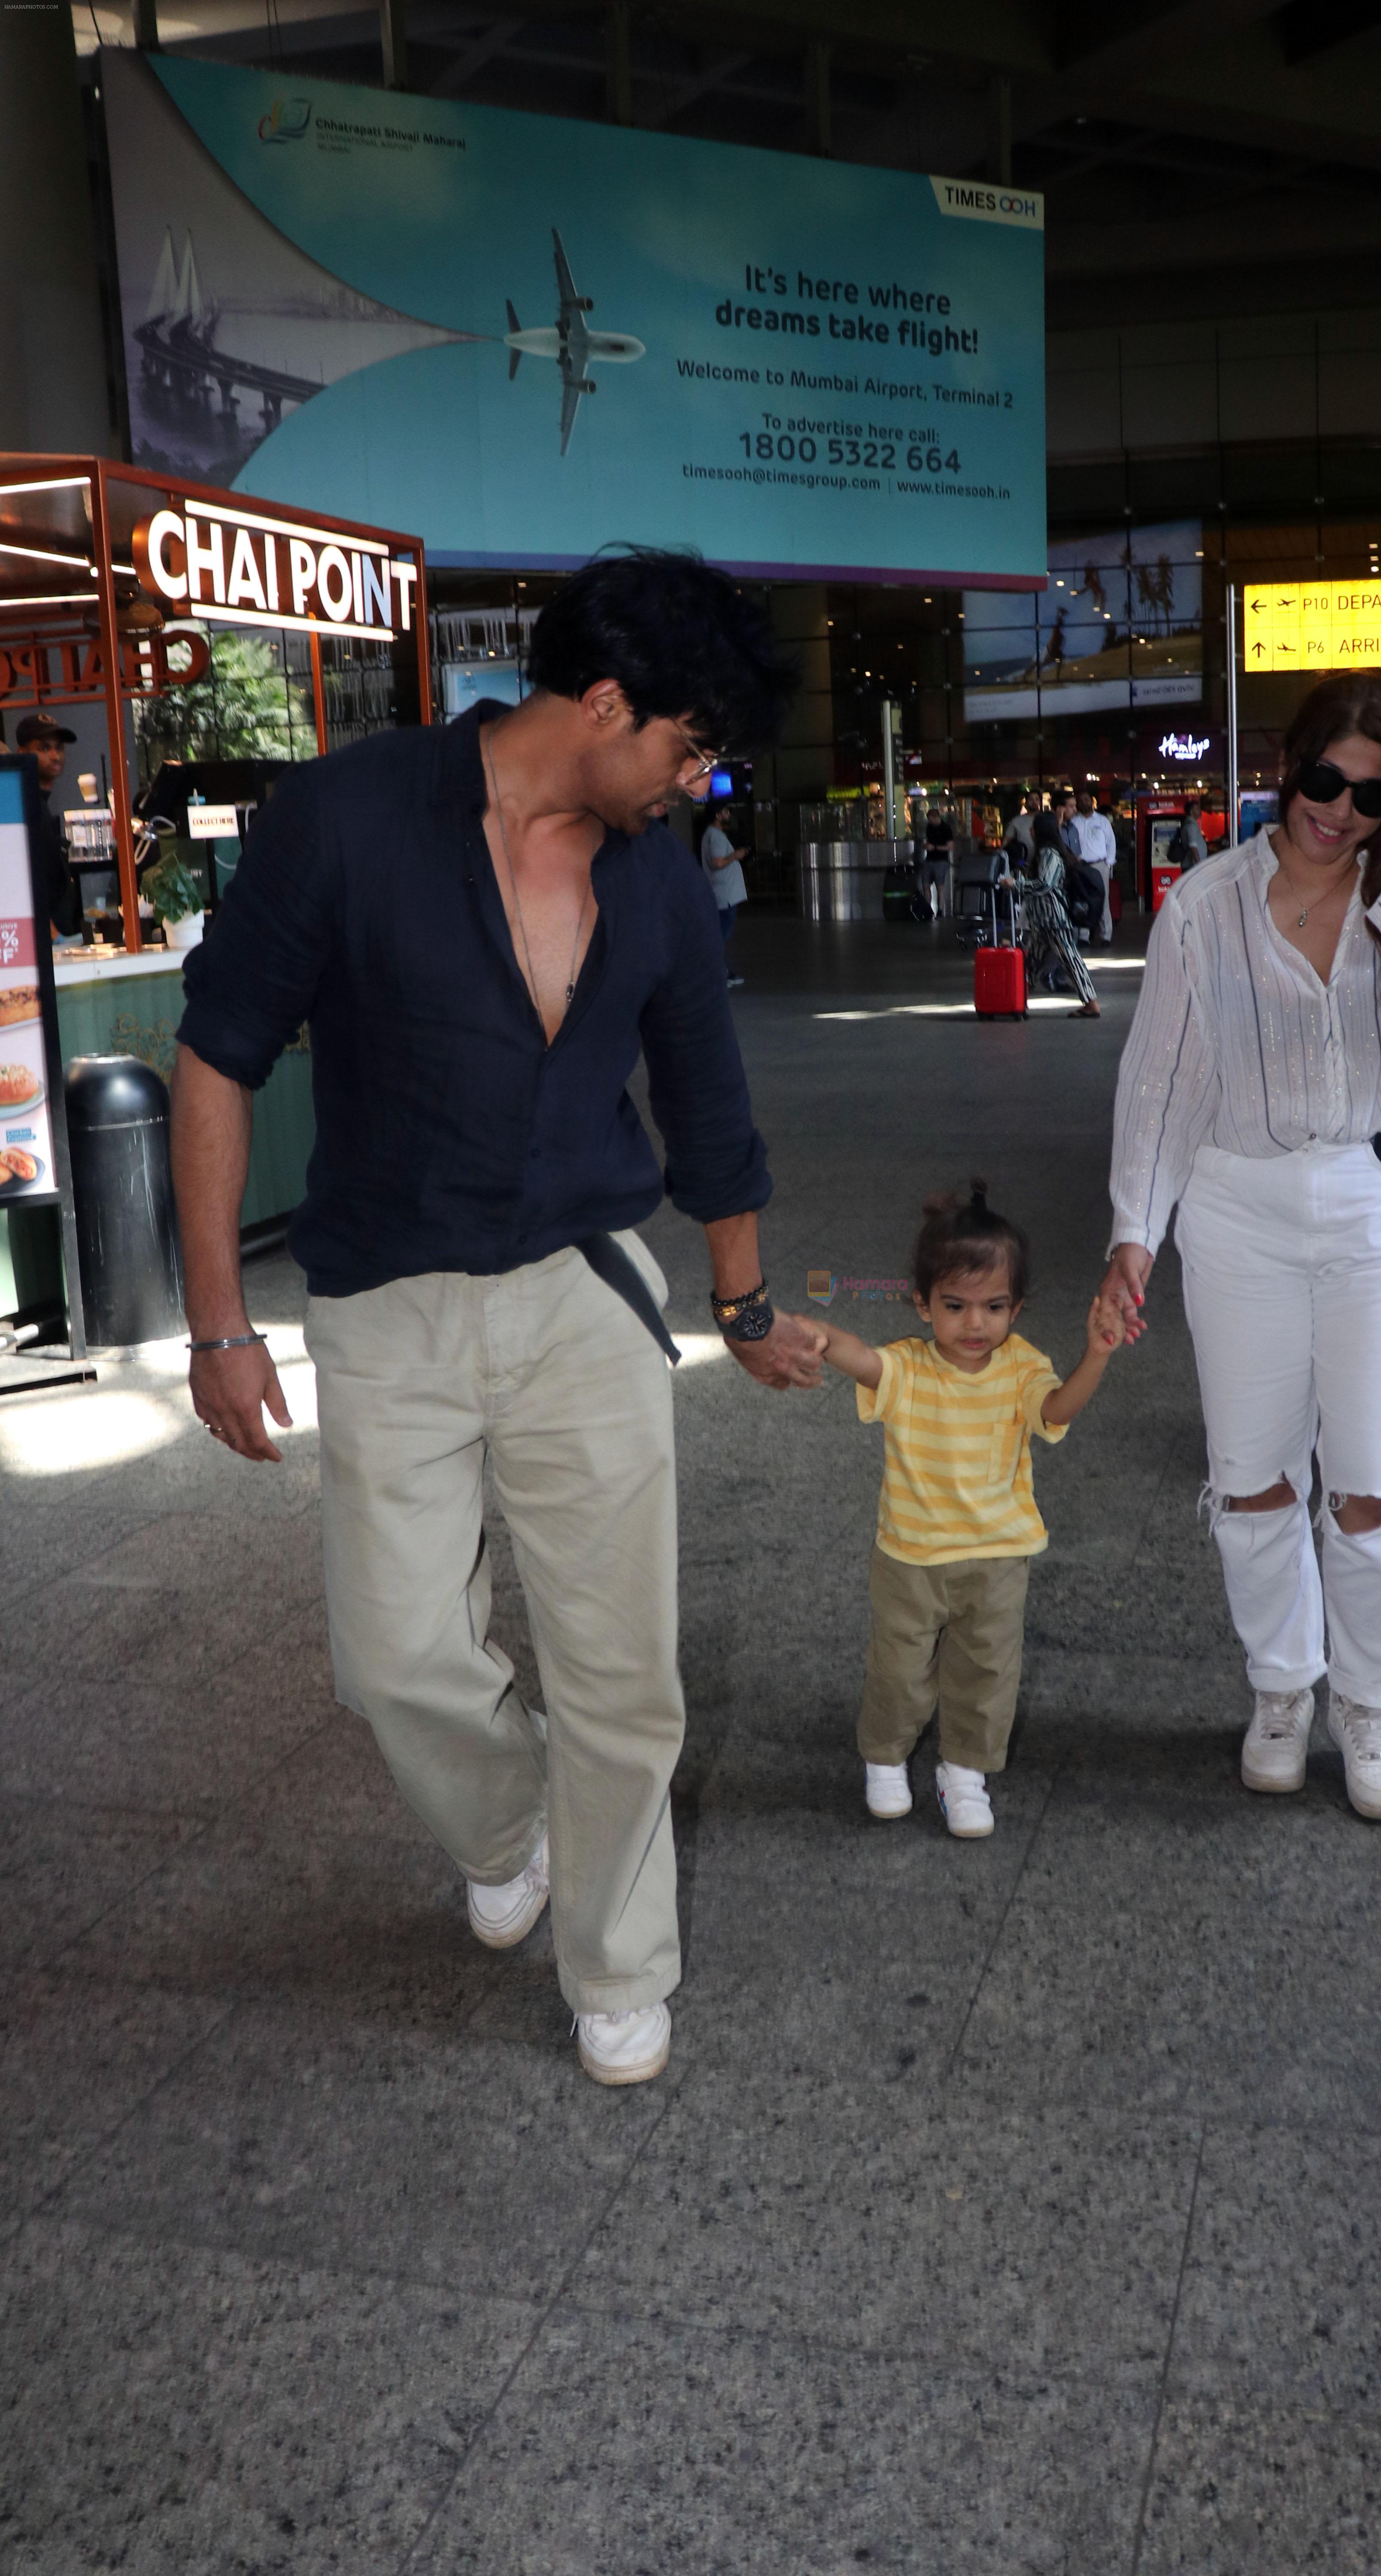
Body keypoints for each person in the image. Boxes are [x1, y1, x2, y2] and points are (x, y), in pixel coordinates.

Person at [170, 547, 826, 2090]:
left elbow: (707, 1100)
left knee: (619, 1670)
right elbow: (215, 1058)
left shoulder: (654, 866)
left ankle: (615, 1958)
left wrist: (739, 1298)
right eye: (683, 745)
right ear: (601, 705)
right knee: (391, 1655)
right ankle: (510, 1816)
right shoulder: (347, 817)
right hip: (384, 1308)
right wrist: (216, 1323)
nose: (691, 778)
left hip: (579, 1297)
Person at [1103, 672, 1381, 1823]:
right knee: (1254, 1477)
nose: (1338, 811)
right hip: (1238, 1212)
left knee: (1374, 1481)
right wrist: (1139, 1229)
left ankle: (1368, 1704)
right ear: (1292, 766)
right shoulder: (1207, 903)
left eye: (1370, 797)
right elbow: (1164, 1080)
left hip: (1378, 1212)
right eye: (1324, 780)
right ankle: (1282, 1686)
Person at [788, 1182, 1122, 1839]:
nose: (977, 1325)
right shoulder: (909, 1370)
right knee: (899, 1666)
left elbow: (1055, 1413)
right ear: (921, 1305)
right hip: (912, 1555)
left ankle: (965, 1770)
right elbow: (861, 1359)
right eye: (956, 1306)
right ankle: (885, 1758)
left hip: (998, 1556)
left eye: (995, 1307)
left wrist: (1098, 1355)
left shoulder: (1023, 1367)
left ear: (1017, 1308)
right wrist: (821, 1333)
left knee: (988, 1668)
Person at [1001, 829, 1101, 1016]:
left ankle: (1091, 1003)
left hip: (1053, 919)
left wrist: (1015, 884)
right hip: (1043, 920)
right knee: (1031, 962)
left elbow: (1045, 885)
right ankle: (1017, 1001)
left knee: (1071, 961)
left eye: (1034, 828)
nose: (1031, 832)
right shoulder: (1050, 852)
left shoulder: (1049, 853)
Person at [12, 712, 82, 939]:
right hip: (40, 942)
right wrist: (52, 935)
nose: (55, 756)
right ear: (22, 753)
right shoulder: (22, 805)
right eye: (44, 749)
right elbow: (18, 877)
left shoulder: (39, 803)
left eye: (59, 748)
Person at [699, 795, 748, 988]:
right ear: (719, 815)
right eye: (726, 812)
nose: (729, 815)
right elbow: (718, 862)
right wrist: (736, 855)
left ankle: (725, 971)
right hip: (724, 897)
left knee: (719, 937)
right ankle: (719, 973)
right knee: (720, 937)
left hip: (724, 896)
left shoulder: (713, 835)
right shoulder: (716, 836)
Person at [1070, 790, 1118, 942]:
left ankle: (1106, 935)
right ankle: (1084, 936)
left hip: (1100, 865)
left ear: (1093, 802)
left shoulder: (1102, 821)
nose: (1084, 803)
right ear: (1078, 804)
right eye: (1081, 800)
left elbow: (1111, 842)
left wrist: (1109, 864)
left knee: (1103, 900)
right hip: (1081, 867)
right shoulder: (1074, 822)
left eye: (1087, 800)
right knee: (1083, 900)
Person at [921, 799, 955, 919]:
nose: (931, 822)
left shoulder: (946, 829)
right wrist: (927, 846)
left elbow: (950, 847)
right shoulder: (929, 828)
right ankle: (929, 909)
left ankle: (940, 910)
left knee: (939, 886)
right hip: (930, 859)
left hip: (941, 861)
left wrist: (934, 847)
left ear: (937, 818)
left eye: (932, 820)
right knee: (926, 885)